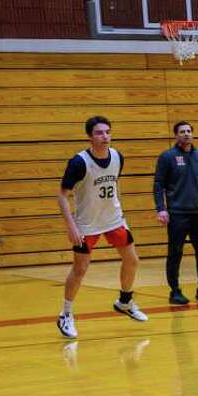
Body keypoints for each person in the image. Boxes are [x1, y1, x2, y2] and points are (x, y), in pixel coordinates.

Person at [55, 115, 146, 339]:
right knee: (80, 270)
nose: (105, 136)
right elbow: (62, 195)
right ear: (89, 137)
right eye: (99, 133)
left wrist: (119, 211)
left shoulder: (117, 157)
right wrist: (71, 226)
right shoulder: (79, 162)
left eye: (107, 132)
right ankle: (65, 315)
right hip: (87, 224)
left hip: (113, 219)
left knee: (132, 260)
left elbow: (112, 185)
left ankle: (125, 301)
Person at [153, 119, 198, 306]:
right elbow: (158, 185)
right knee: (175, 252)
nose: (186, 134)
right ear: (176, 135)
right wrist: (161, 208)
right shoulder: (167, 157)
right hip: (177, 213)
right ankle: (174, 290)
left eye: (189, 131)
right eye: (182, 131)